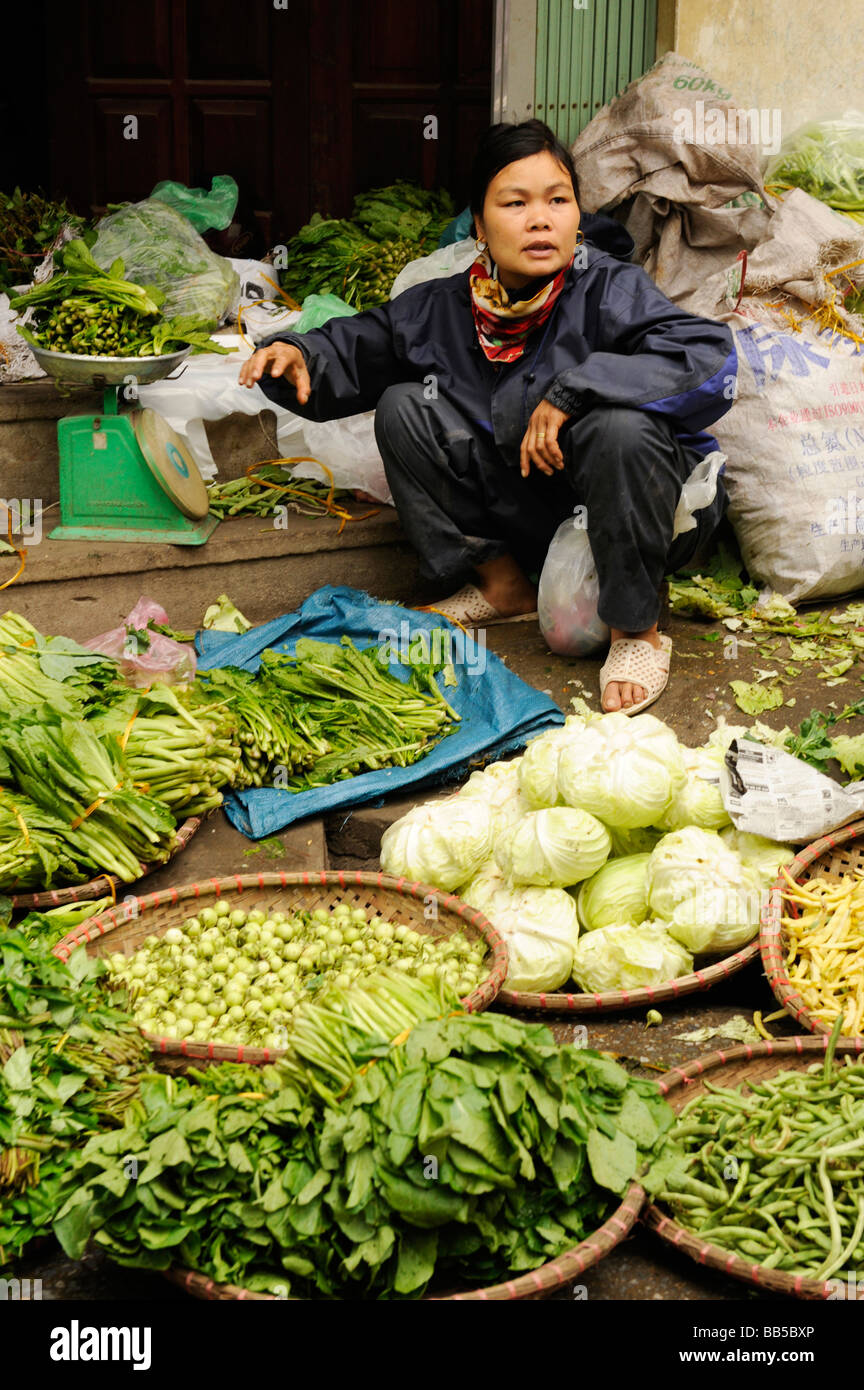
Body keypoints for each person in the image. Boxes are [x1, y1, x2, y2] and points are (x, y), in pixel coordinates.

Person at [239, 120, 736, 715]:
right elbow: (360, 342)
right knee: (406, 406)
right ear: (479, 224)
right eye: (515, 202)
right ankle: (504, 587)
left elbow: (705, 357)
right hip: (530, 512)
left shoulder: (609, 289)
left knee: (620, 426)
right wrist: (301, 352)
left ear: (577, 214)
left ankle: (636, 630)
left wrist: (579, 389)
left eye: (558, 200)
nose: (540, 219)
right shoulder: (443, 308)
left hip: (638, 512)